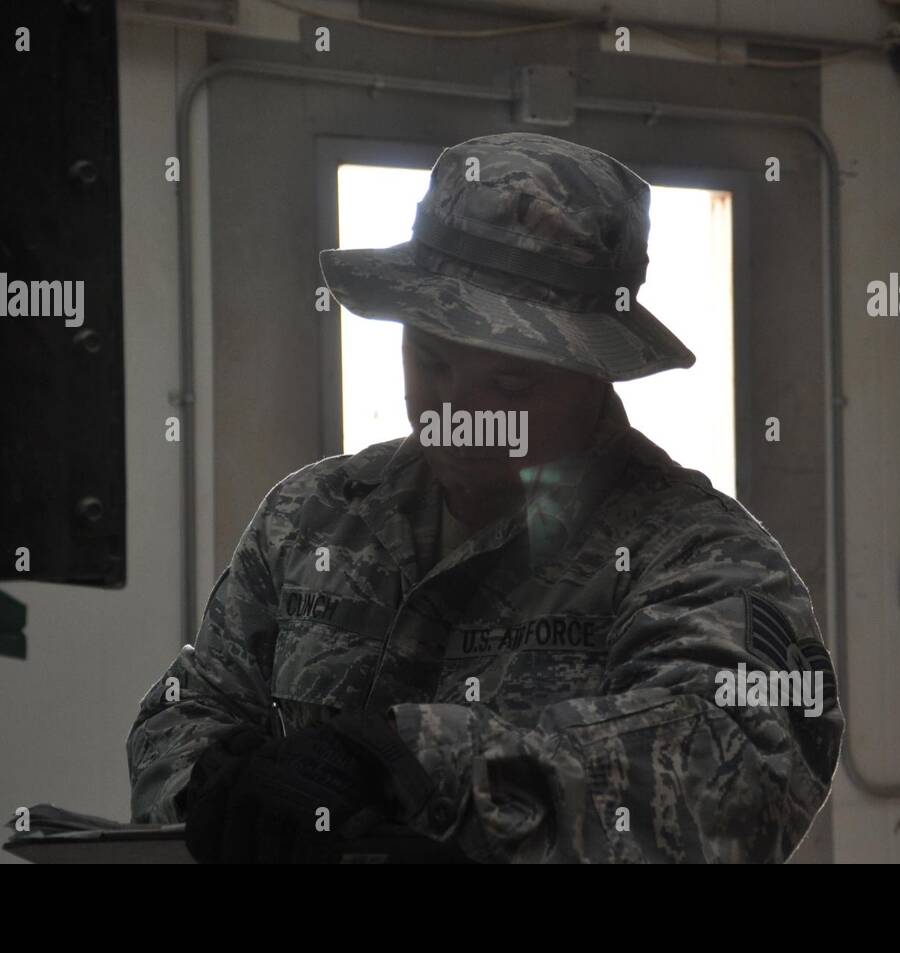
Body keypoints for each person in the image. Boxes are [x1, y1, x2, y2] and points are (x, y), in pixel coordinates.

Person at [127, 131, 844, 863]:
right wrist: (216, 791)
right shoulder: (308, 519)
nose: (456, 412)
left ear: (596, 372)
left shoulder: (699, 556)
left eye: (510, 386)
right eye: (429, 362)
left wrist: (411, 760)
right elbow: (184, 713)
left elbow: (731, 775)